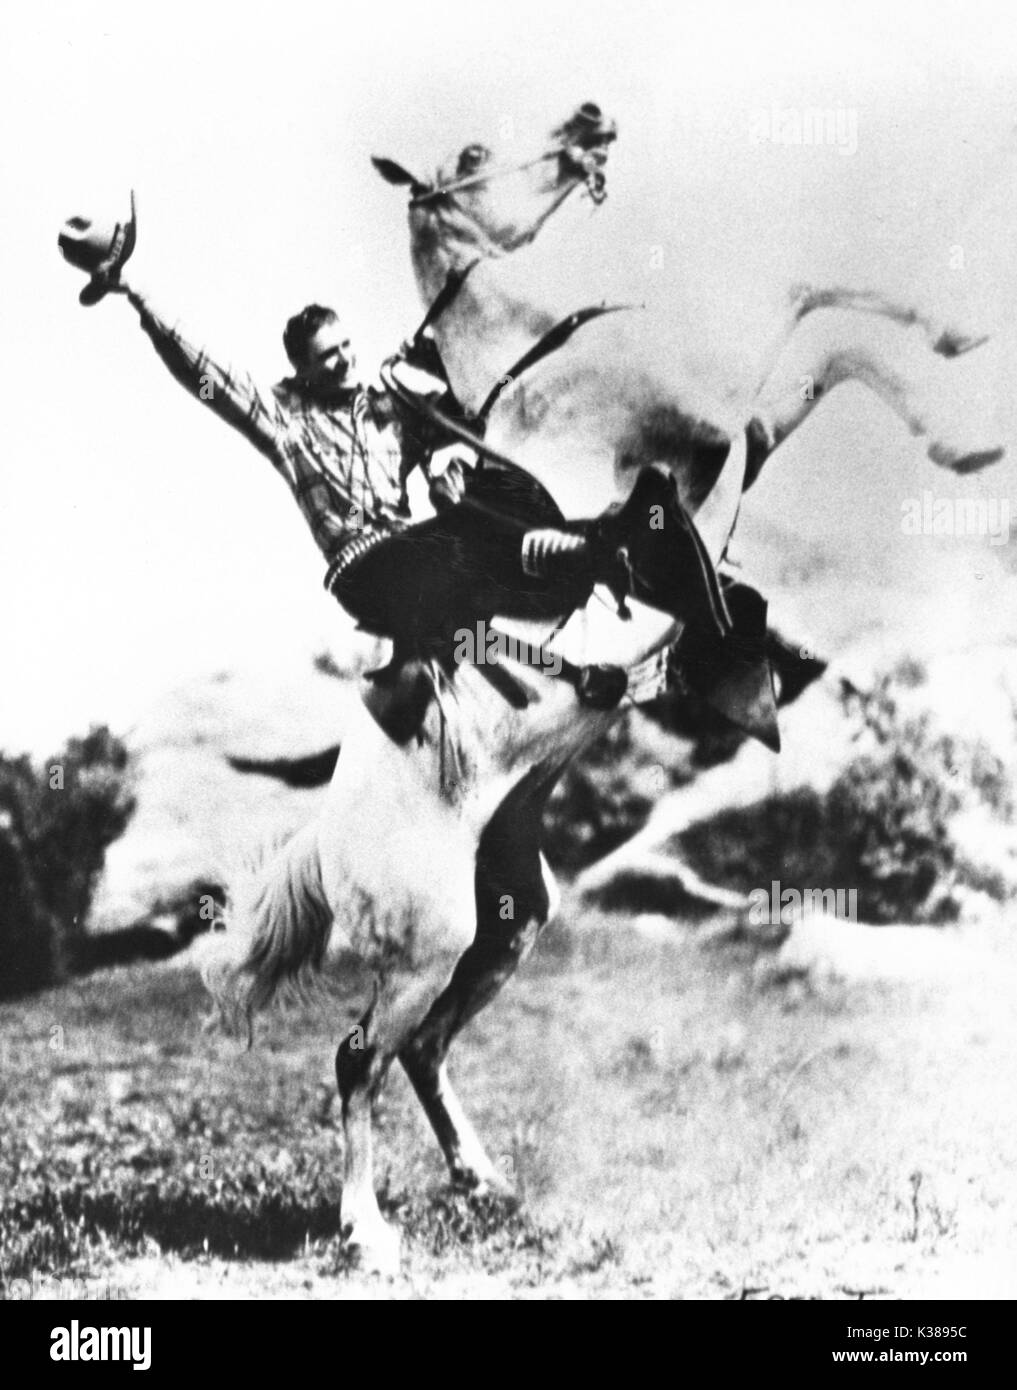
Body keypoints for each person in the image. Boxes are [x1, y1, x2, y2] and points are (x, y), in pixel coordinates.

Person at [58, 198, 732, 715]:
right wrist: (135, 293)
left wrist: (443, 453)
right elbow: (204, 369)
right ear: (303, 372)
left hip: (428, 554)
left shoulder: (388, 403)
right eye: (330, 358)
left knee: (493, 500)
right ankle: (586, 554)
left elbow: (462, 407)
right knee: (454, 545)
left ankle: (604, 570)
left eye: (347, 347)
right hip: (367, 570)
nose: (346, 360)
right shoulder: (284, 422)